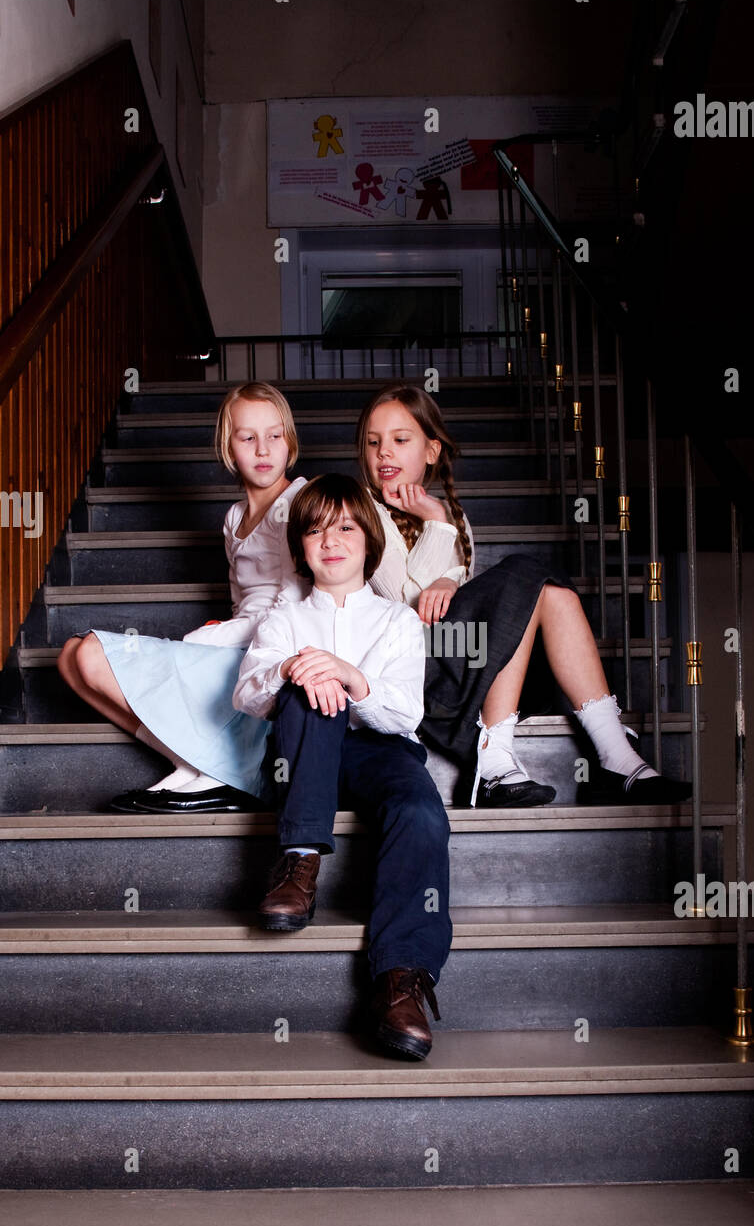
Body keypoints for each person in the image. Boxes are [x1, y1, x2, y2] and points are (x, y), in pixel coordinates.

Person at [355, 383, 692, 807]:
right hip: (410, 669)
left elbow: (457, 609)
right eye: (373, 442)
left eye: (400, 440)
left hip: (461, 660)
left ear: (431, 451)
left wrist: (448, 555)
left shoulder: (455, 518)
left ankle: (615, 756)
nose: (385, 452)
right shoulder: (358, 513)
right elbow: (413, 607)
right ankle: (493, 760)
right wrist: (438, 525)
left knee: (553, 595)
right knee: (524, 576)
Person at [233, 473, 451, 1061]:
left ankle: (400, 979)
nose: (332, 540)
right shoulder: (282, 618)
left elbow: (404, 714)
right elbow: (246, 694)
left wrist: (350, 676)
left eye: (347, 527)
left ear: (368, 539)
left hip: (380, 751)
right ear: (301, 547)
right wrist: (294, 671)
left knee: (420, 811)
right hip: (304, 753)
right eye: (316, 530)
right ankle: (299, 860)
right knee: (308, 689)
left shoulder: (396, 621)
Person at [57, 382, 310, 813]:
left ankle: (221, 768)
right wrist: (226, 628)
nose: (263, 449)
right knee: (68, 657)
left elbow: (293, 606)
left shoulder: (299, 502)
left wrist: (216, 637)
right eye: (247, 438)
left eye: (274, 435)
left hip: (267, 651)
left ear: (290, 441)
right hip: (237, 639)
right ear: (229, 450)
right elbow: (242, 599)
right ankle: (194, 761)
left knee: (92, 654)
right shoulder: (234, 518)